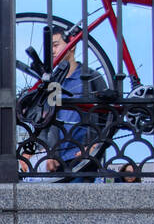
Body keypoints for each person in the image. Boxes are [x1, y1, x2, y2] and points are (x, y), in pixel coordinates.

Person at [39, 29, 107, 181]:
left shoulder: (91, 77)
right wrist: (47, 151)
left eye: (56, 45)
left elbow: (108, 117)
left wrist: (96, 145)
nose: (52, 51)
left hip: (83, 154)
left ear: (72, 46)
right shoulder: (54, 82)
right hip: (57, 158)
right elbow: (46, 120)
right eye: (50, 47)